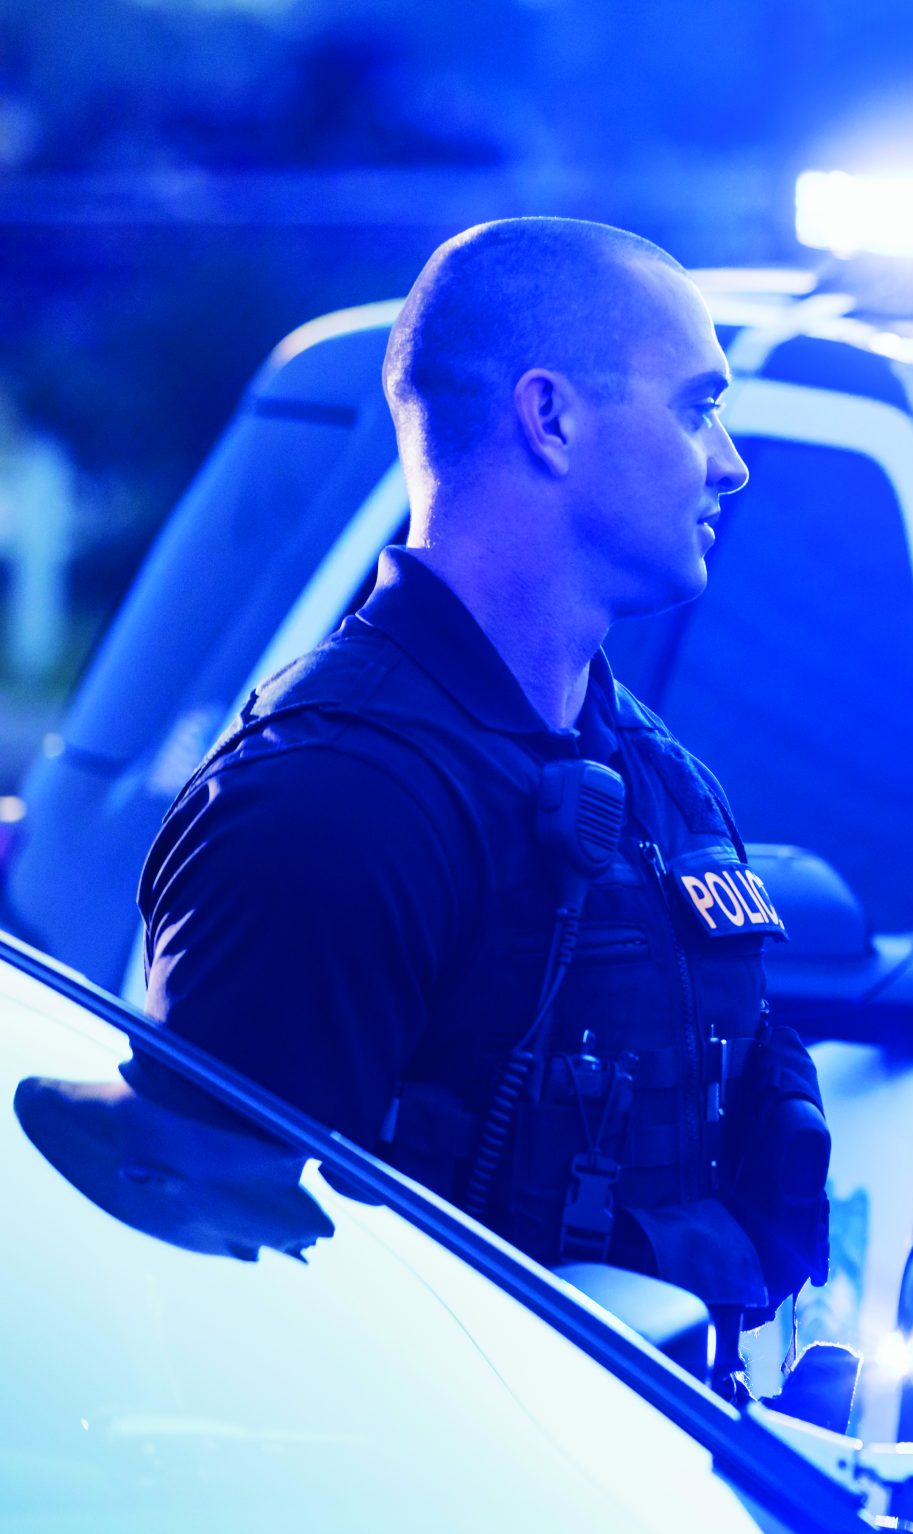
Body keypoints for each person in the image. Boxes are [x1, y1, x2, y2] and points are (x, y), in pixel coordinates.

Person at [134, 218, 828, 1354]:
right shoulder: (329, 806)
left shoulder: (659, 778)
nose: (728, 461)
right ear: (550, 418)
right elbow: (218, 1316)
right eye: (697, 407)